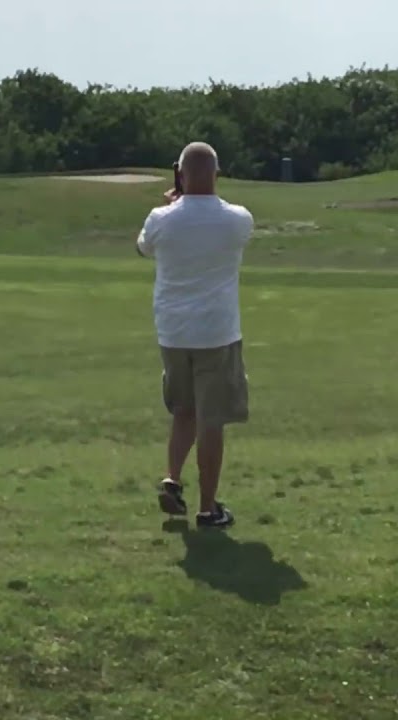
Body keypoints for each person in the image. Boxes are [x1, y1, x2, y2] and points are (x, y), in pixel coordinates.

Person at [134, 141, 253, 529]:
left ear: (180, 175)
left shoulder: (160, 218)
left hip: (172, 331)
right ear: (217, 175)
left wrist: (172, 205)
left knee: (184, 411)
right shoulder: (238, 219)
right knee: (211, 419)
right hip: (217, 332)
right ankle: (208, 507)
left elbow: (143, 249)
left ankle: (173, 478)